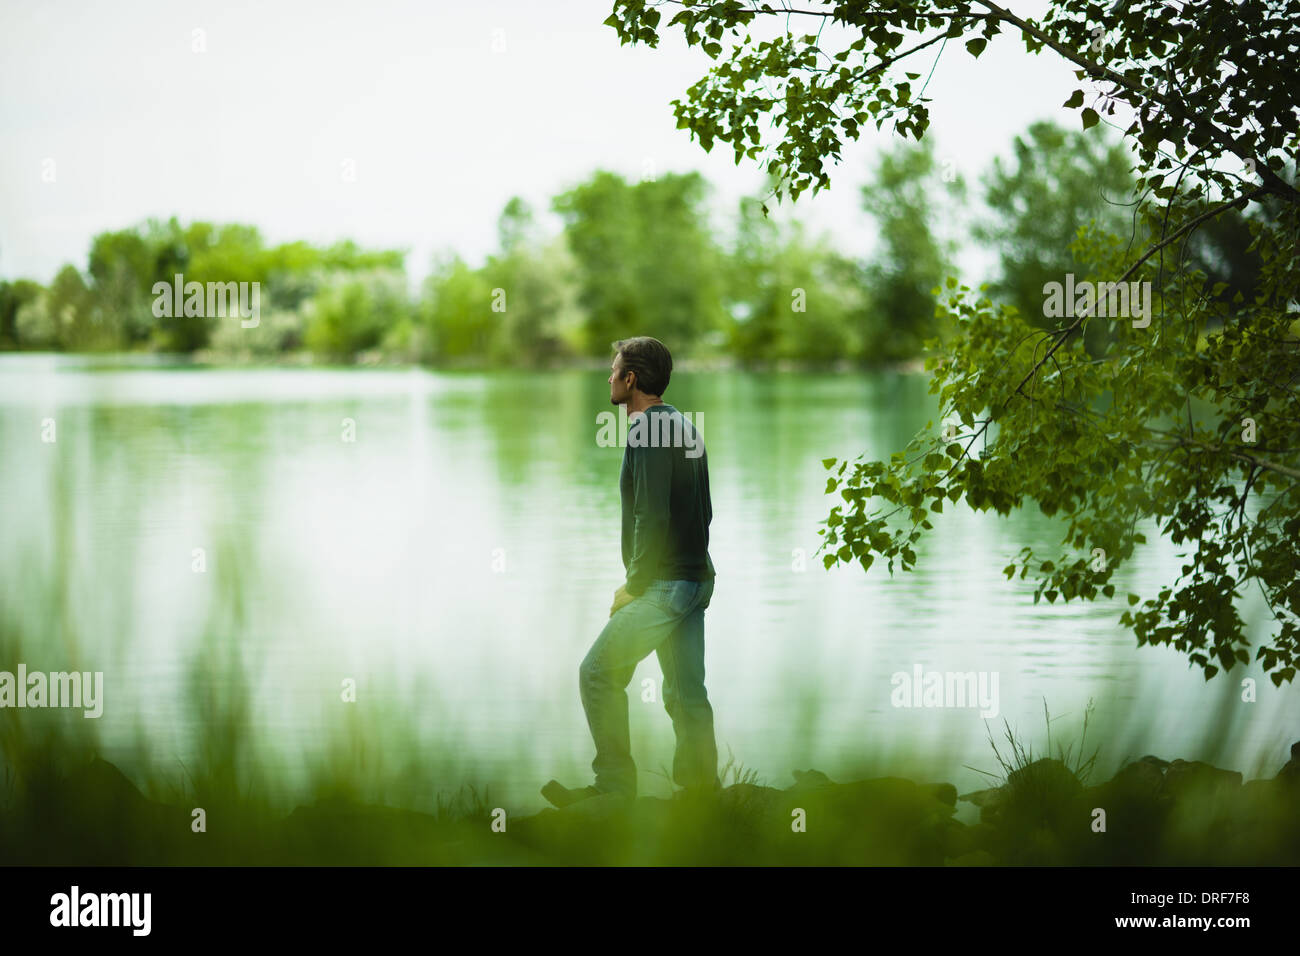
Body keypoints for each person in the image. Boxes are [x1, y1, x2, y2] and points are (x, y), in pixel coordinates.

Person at [542, 336, 719, 807]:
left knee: (597, 673)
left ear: (631, 379)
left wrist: (635, 585)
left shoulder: (646, 431)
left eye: (614, 369)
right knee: (685, 692)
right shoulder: (682, 425)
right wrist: (693, 576)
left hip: (664, 584)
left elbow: (651, 517)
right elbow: (705, 513)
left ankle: (614, 789)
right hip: (695, 579)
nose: (608, 377)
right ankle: (702, 794)